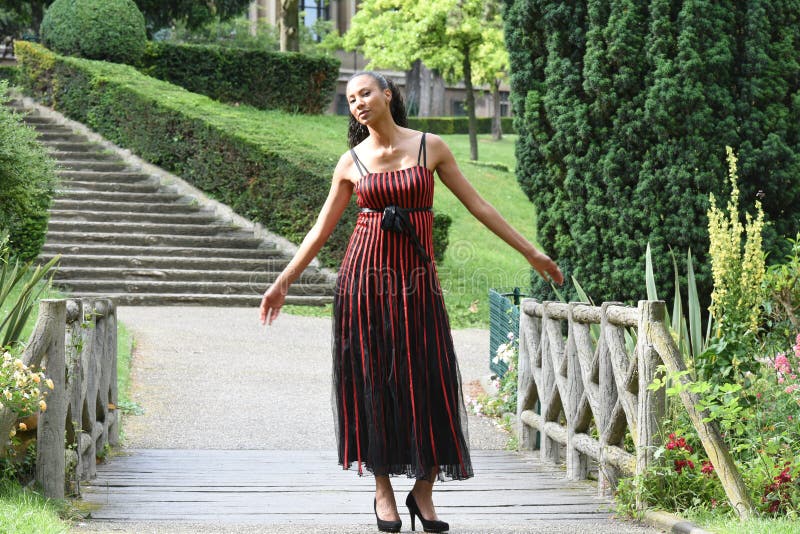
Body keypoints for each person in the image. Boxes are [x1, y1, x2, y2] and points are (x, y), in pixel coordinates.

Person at [259, 71, 563, 533]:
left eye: (365, 93)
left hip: (417, 284)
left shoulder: (431, 147)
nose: (358, 102)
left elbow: (479, 206)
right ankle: (382, 490)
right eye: (350, 98)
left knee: (430, 376)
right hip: (364, 281)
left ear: (388, 94)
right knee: (373, 381)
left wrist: (531, 251)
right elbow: (320, 230)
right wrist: (283, 281)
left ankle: (424, 490)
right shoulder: (351, 162)